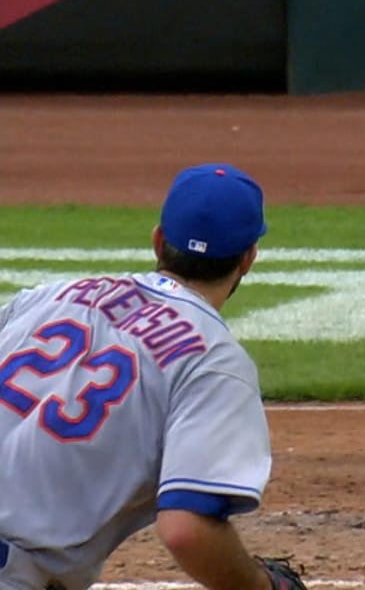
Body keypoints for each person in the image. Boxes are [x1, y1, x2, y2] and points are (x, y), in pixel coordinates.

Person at [0, 163, 302, 590]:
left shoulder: (48, 297)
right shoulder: (212, 362)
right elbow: (187, 529)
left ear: (159, 239)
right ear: (248, 259)